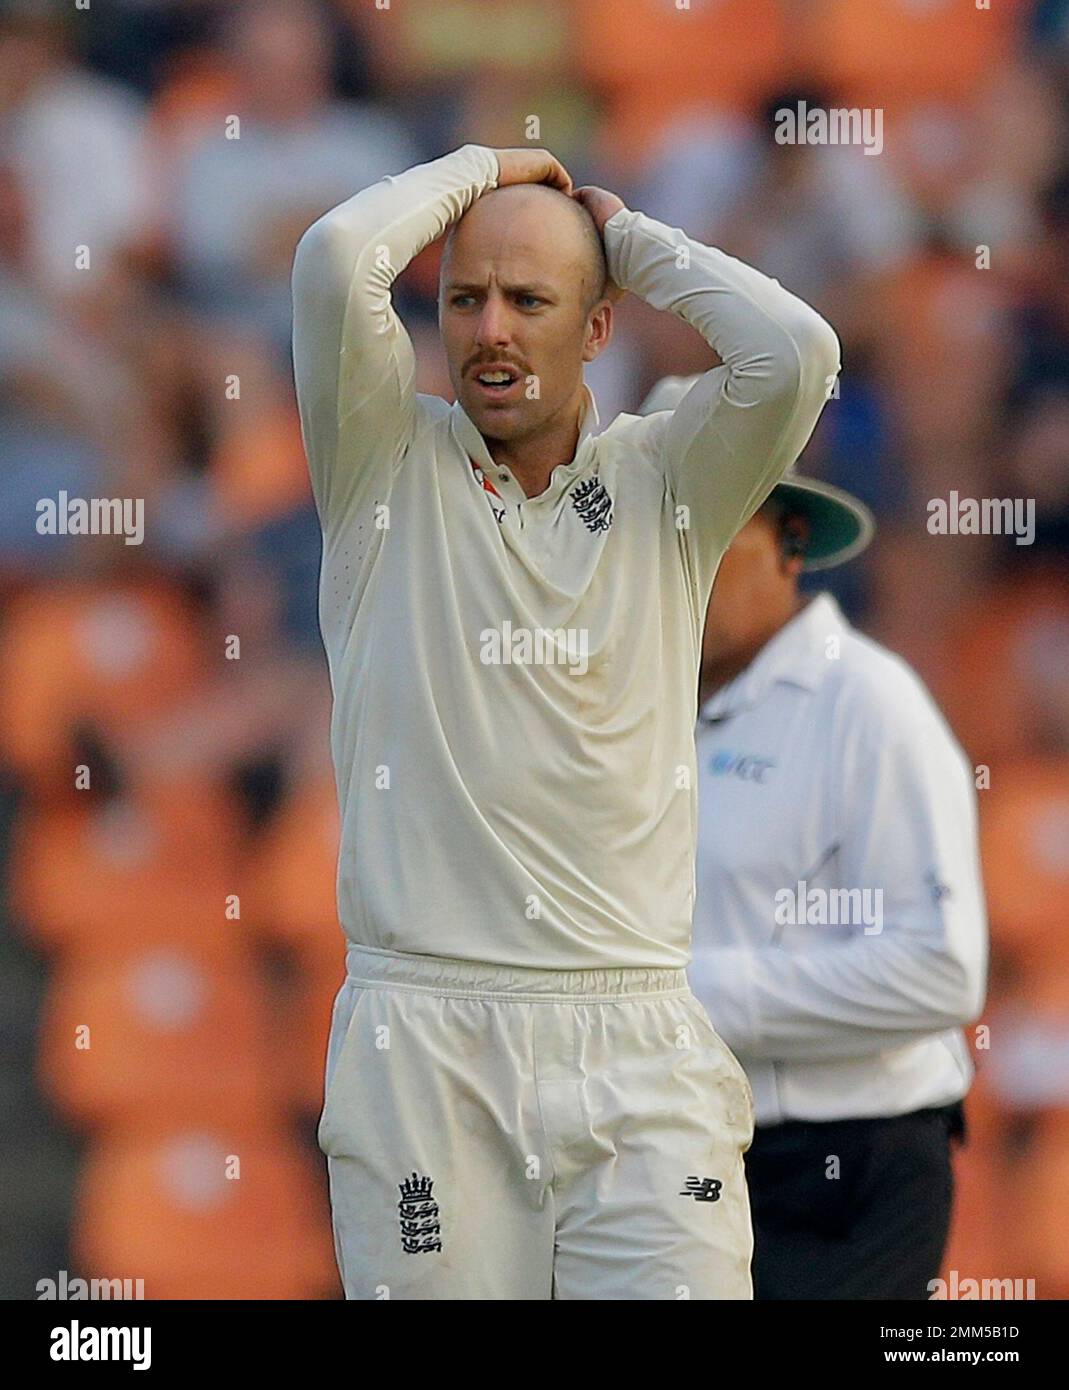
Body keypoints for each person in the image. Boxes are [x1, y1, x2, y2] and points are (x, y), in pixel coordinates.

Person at [290, 144, 840, 1300]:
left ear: (598, 330)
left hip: (636, 1032)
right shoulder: (381, 465)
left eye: (531, 300)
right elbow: (341, 256)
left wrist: (623, 238)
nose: (490, 330)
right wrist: (485, 168)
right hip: (425, 1040)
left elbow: (793, 353)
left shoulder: (670, 483)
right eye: (463, 298)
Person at [645, 371, 986, 1301]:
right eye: (664, 536)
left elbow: (941, 969)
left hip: (846, 1167)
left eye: (714, 532)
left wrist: (687, 997)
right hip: (682, 1151)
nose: (682, 566)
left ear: (790, 542)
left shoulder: (867, 706)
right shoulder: (629, 710)